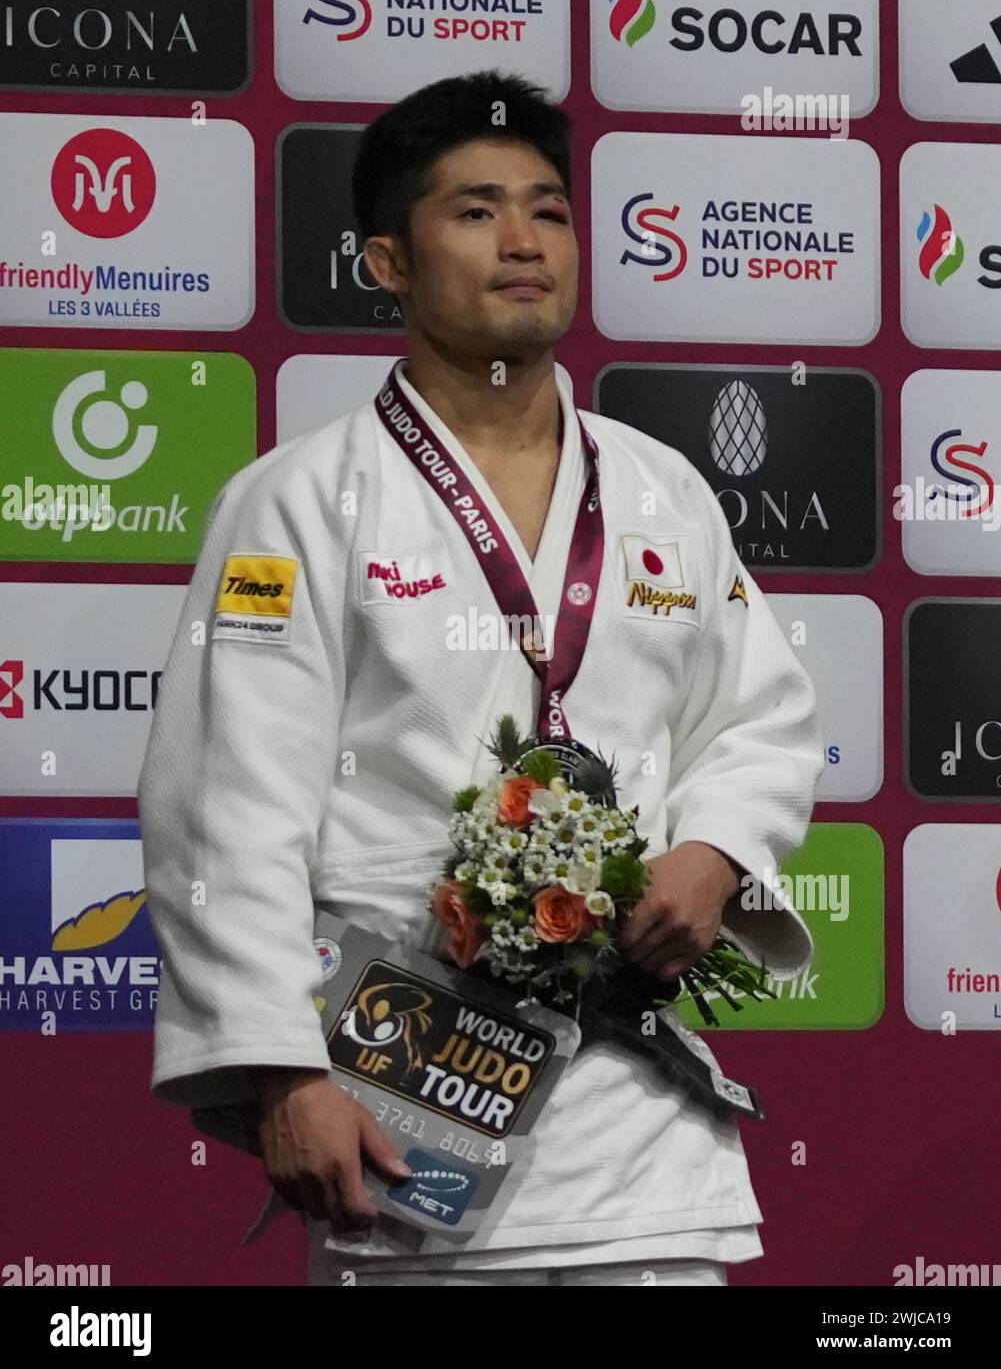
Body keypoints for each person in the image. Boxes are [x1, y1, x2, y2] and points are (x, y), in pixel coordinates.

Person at [138, 69, 825, 1288]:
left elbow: (760, 718)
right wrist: (281, 1071)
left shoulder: (662, 489)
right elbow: (223, 809)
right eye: (474, 210)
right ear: (387, 262)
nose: (522, 241)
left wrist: (713, 851)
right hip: (407, 1116)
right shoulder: (298, 503)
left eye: (548, 209)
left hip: (636, 1138)